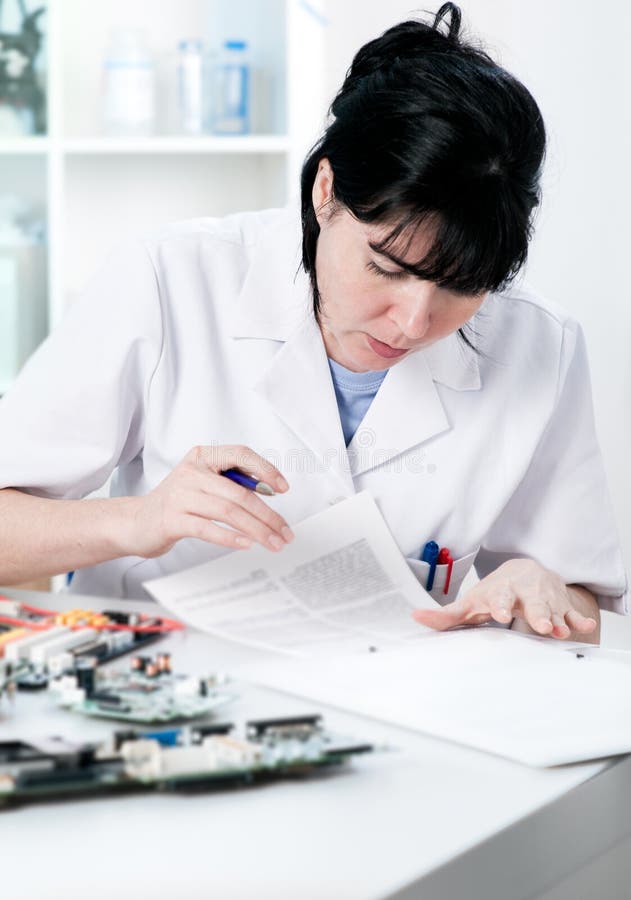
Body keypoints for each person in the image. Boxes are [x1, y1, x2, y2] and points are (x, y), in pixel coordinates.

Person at [0, 3, 626, 643]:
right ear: (325, 191)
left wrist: (545, 594)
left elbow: (584, 610)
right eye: (386, 266)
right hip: (156, 687)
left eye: (464, 286)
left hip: (393, 706)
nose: (413, 322)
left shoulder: (539, 345)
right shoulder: (169, 279)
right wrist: (136, 520)